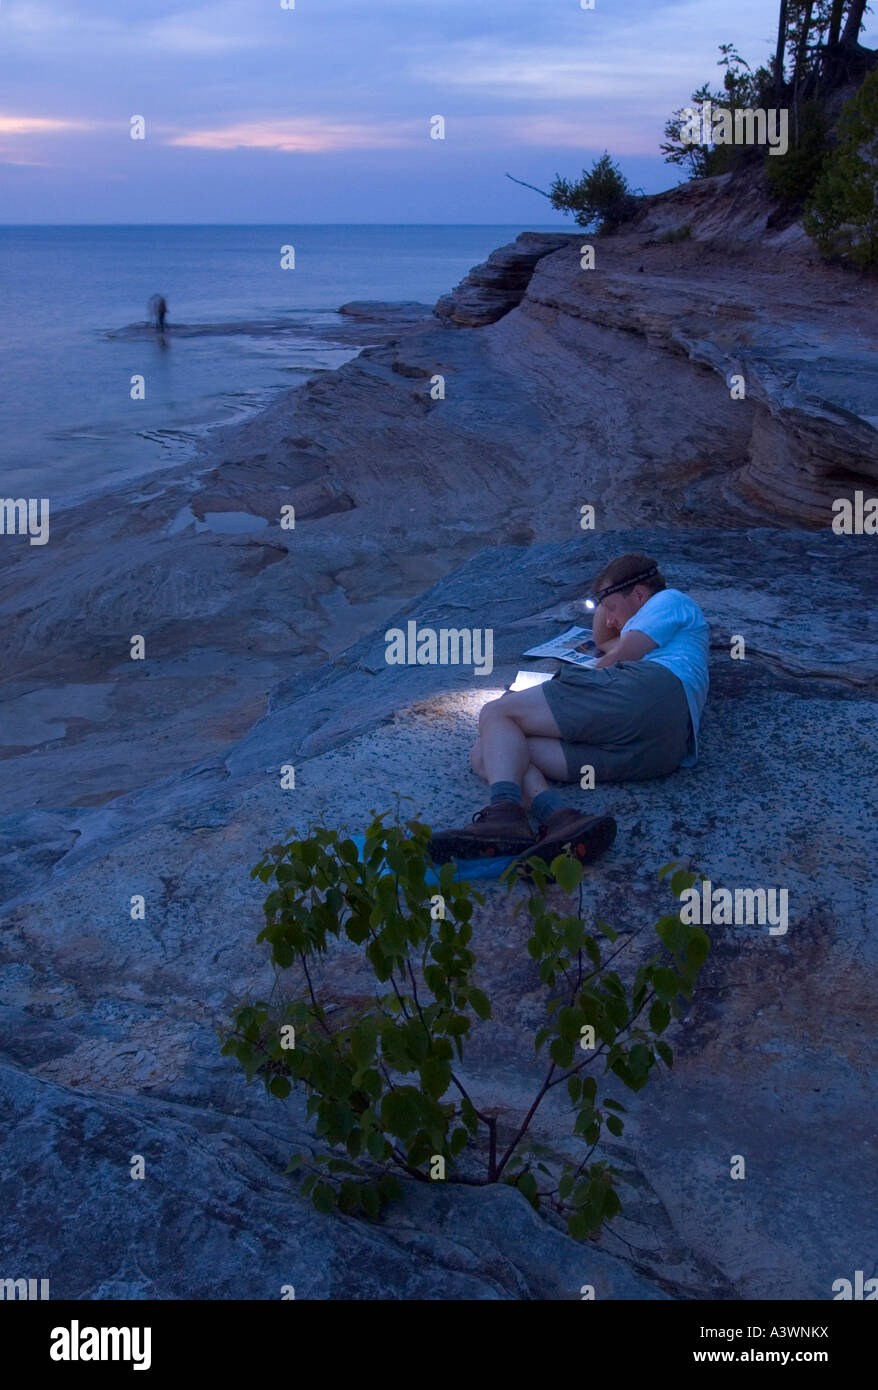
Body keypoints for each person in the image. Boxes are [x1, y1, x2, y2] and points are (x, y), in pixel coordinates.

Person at [428, 552, 709, 864]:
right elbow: (605, 642)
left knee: (497, 712)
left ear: (640, 594)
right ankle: (562, 819)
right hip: (660, 750)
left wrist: (569, 688)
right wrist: (607, 600)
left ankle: (505, 815)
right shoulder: (658, 630)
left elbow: (615, 660)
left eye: (612, 608)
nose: (611, 619)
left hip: (650, 691)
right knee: (489, 753)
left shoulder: (670, 600)